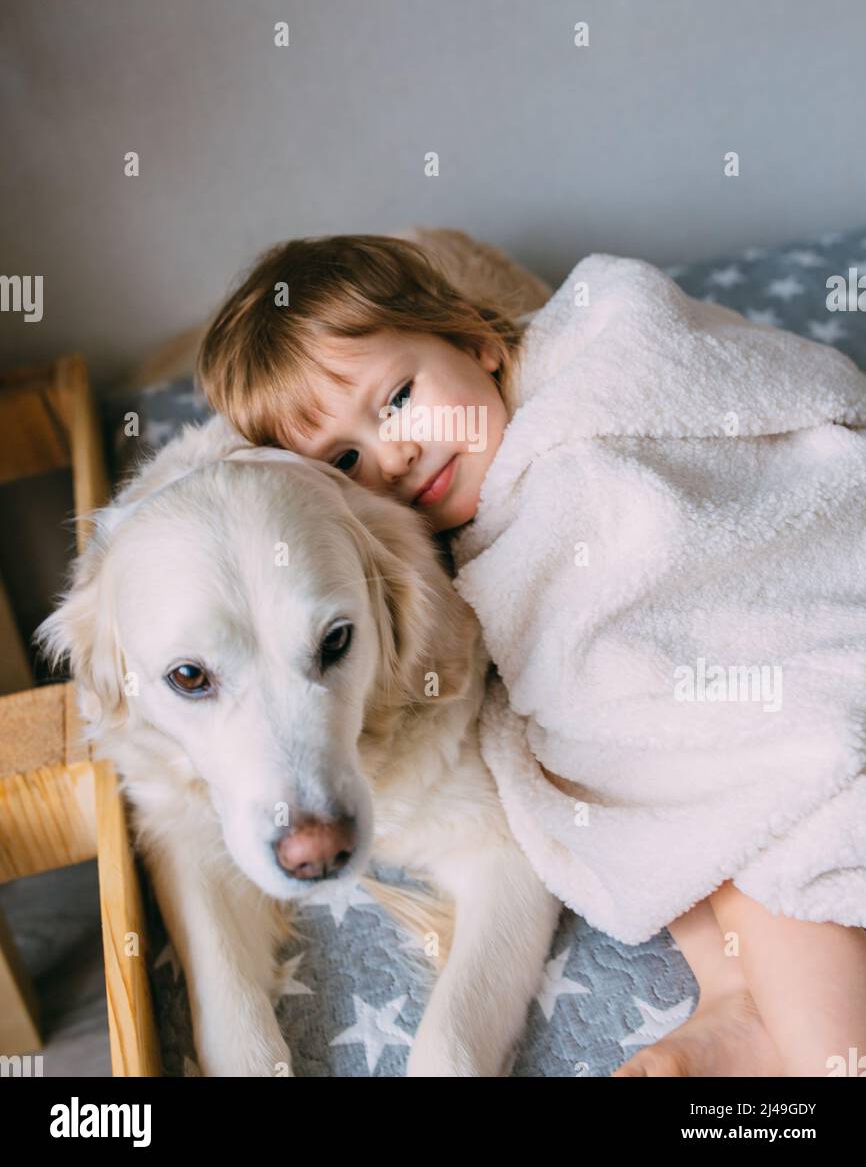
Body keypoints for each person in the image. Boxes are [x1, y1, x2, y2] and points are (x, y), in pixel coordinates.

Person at [196, 232, 866, 1077]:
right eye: (345, 461)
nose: (394, 455)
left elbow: (759, 409)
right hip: (696, 741)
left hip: (807, 656)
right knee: (650, 799)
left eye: (399, 397)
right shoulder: (443, 549)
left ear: (472, 337)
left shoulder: (606, 360)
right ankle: (734, 999)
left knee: (766, 846)